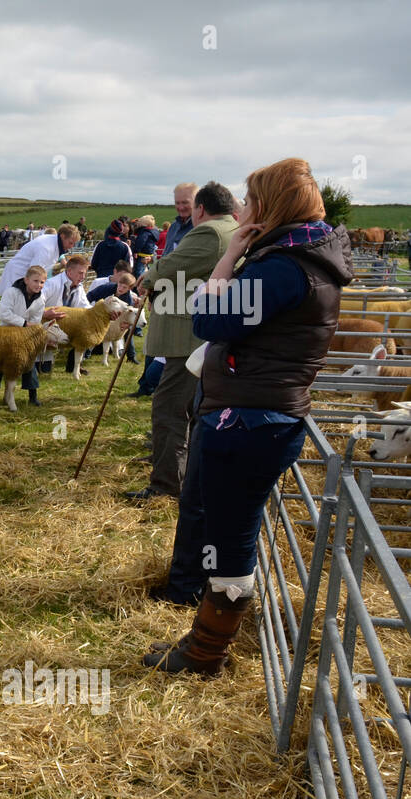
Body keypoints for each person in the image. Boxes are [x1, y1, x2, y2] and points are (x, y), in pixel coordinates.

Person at [143, 157, 352, 674]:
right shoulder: (299, 258)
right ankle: (206, 638)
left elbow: (211, 319)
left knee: (229, 537)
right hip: (257, 413)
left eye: (253, 199)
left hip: (249, 417)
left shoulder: (284, 266)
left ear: (274, 205)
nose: (245, 209)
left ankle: (207, 651)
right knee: (228, 529)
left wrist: (226, 259)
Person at [125, 182, 238, 502]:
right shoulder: (232, 228)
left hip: (186, 337)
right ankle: (180, 473)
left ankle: (166, 485)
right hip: (204, 335)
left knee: (170, 407)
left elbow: (169, 266)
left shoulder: (210, 232)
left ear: (201, 208)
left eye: (188, 205)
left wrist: (148, 276)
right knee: (188, 409)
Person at [0, 264, 48, 406]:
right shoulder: (11, 292)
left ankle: (33, 395)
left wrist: (29, 328)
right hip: (4, 334)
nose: (39, 285)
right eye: (35, 281)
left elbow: (36, 320)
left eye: (42, 282)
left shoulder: (41, 299)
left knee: (27, 362)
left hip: (25, 337)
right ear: (26, 280)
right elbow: (4, 314)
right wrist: (24, 324)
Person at [0, 224, 80, 298]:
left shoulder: (54, 243)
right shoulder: (46, 248)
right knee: (14, 307)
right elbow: (34, 273)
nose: (71, 247)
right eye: (70, 243)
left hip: (24, 275)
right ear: (62, 236)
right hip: (18, 275)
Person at [42, 254, 91, 373]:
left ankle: (74, 365)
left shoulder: (79, 287)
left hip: (66, 327)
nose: (83, 276)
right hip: (45, 326)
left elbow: (86, 307)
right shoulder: (52, 283)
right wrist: (43, 314)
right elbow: (36, 303)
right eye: (80, 273)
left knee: (86, 331)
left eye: (84, 273)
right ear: (69, 271)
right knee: (45, 370)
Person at [89, 218, 134, 284]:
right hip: (118, 282)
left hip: (101, 280)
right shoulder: (125, 246)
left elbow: (93, 264)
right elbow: (129, 266)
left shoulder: (100, 245)